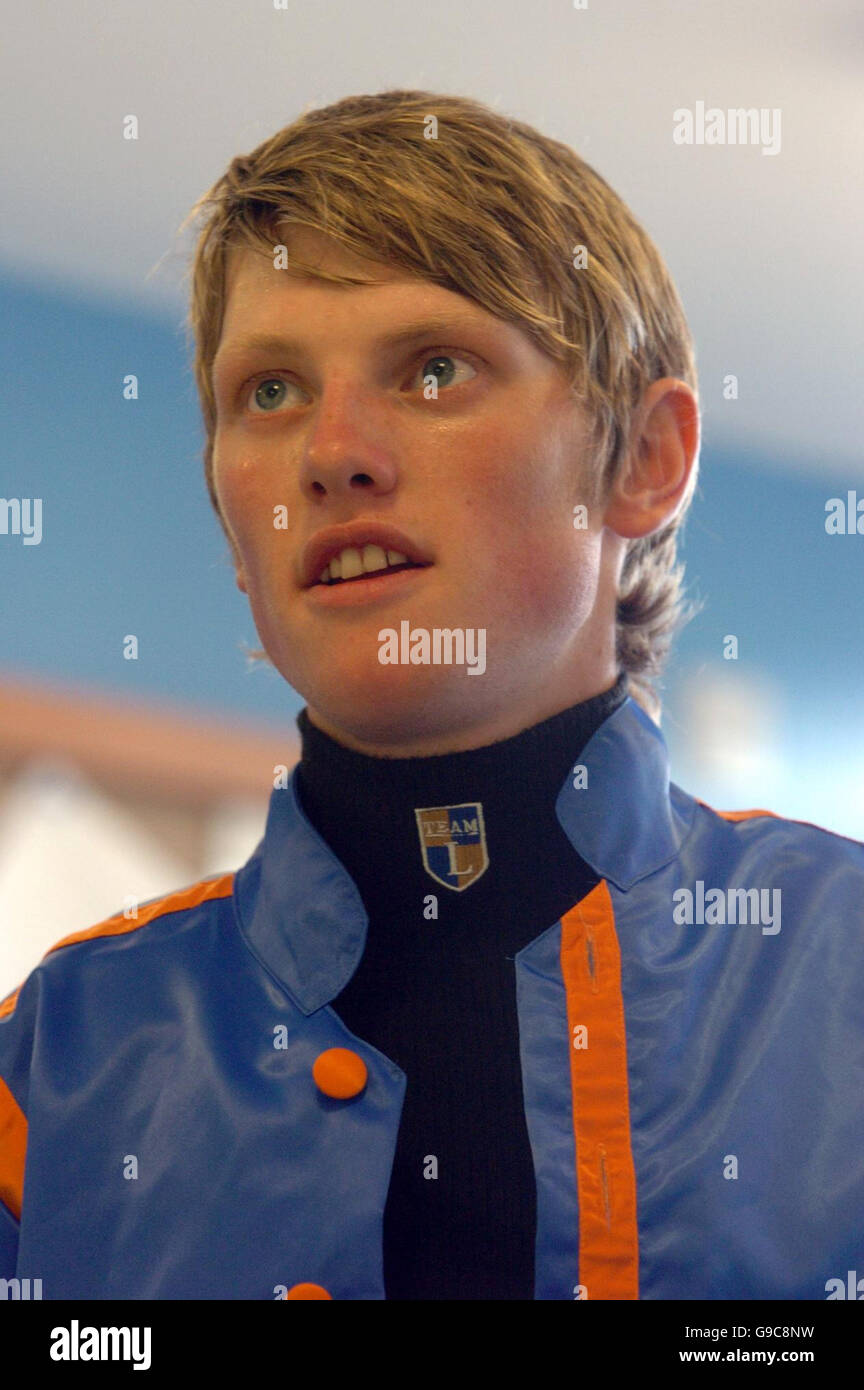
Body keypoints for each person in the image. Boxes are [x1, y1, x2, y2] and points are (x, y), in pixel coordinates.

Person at [1, 90, 862, 1302]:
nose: (333, 450)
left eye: (436, 368)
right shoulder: (48, 1070)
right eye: (269, 390)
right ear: (228, 515)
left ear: (645, 459)